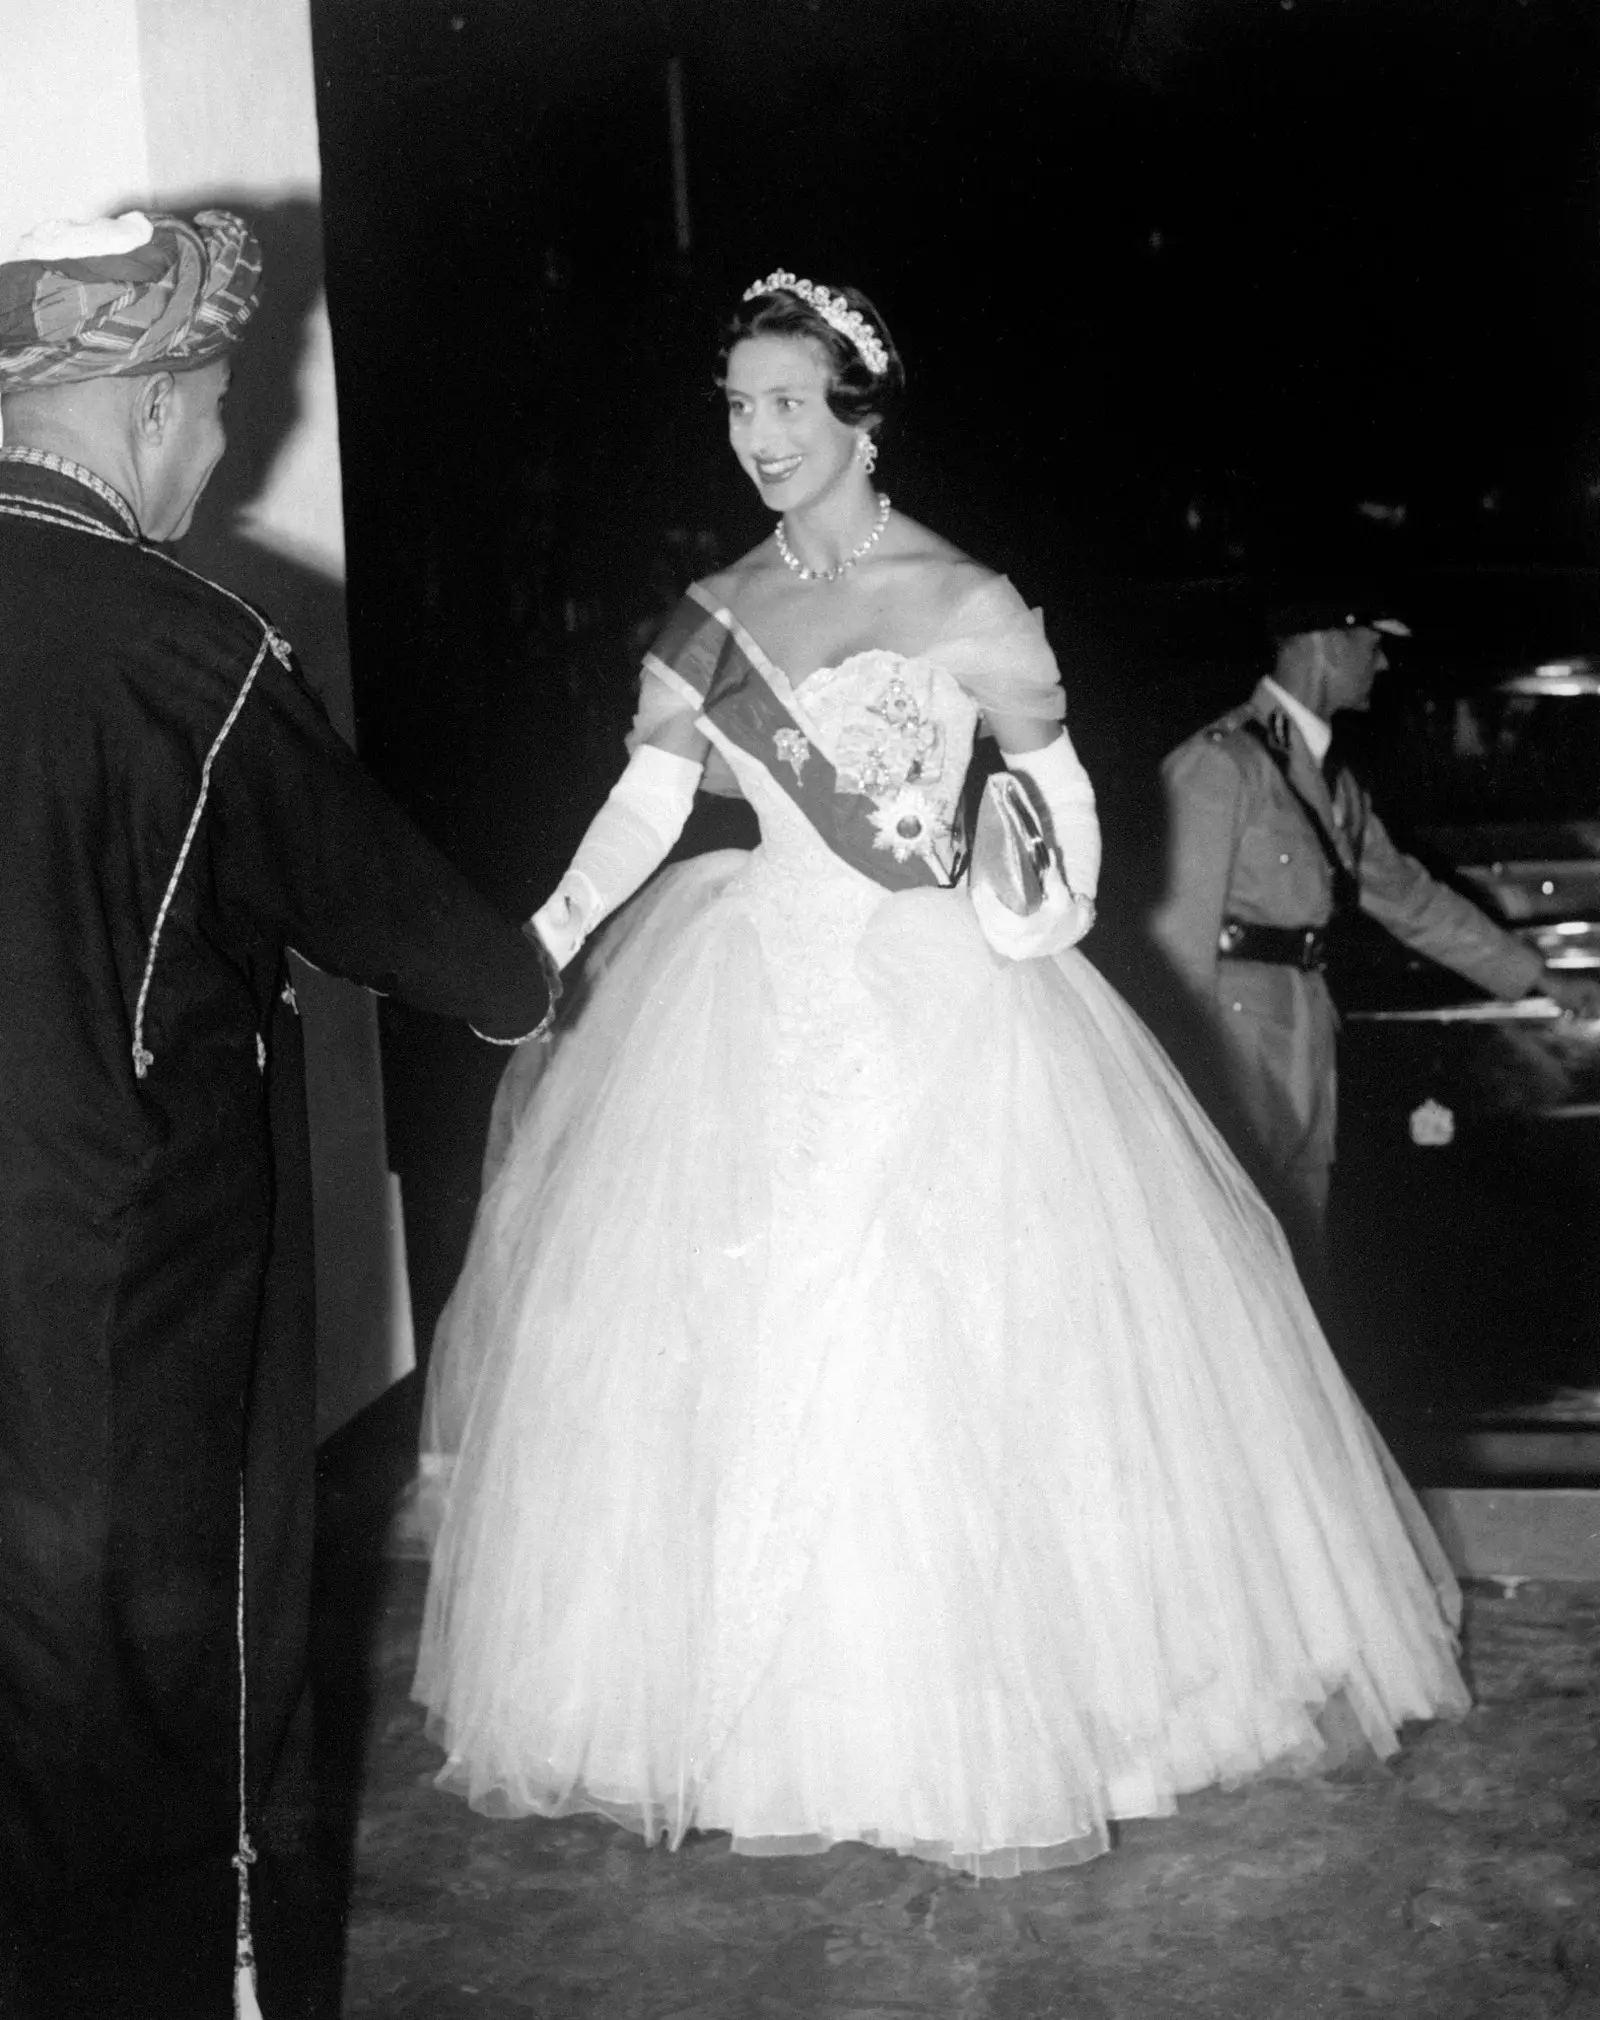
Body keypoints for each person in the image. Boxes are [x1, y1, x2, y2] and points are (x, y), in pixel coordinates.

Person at [415, 272, 1469, 1880]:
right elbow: (646, 806)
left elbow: (1066, 819)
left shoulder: (973, 599)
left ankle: (1008, 1715)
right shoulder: (712, 611)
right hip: (753, 985)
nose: (756, 436)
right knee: (741, 1327)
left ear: (859, 414)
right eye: (737, 406)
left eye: (785, 404)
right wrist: (544, 937)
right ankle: (757, 1725)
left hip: (940, 995)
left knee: (970, 1332)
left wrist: (1024, 912)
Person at [0, 210, 557, 2019]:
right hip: (124, 1290)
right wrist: (529, 983)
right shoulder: (188, 649)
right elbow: (417, 929)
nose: (223, 446)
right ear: (148, 400)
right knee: (151, 1701)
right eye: (221, 406)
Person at [1148, 601, 1600, 1269]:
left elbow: (1411, 898)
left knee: (1296, 1256)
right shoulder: (1220, 767)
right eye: (1372, 643)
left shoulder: (1328, 782)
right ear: (1325, 642)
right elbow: (1177, 949)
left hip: (1300, 1039)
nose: (1382, 662)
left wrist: (1538, 976)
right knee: (1230, 1259)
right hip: (1233, 1047)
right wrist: (1174, 1091)